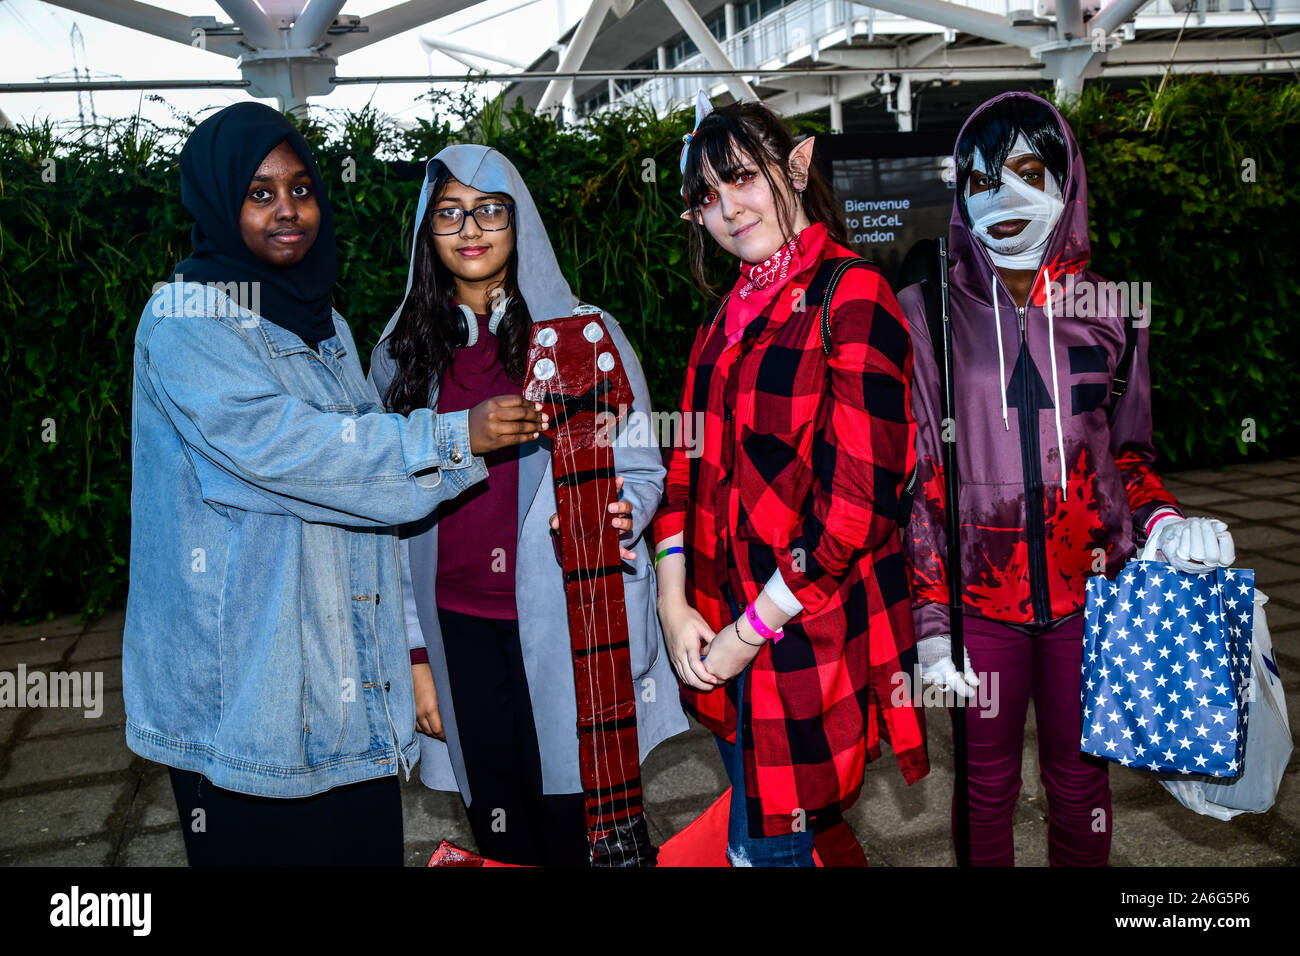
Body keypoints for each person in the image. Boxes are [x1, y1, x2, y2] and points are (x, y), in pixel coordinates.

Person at [124, 103, 545, 867]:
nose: (288, 210)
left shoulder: (326, 325)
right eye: (259, 193)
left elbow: (364, 502)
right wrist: (455, 436)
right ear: (218, 202)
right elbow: (292, 454)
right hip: (252, 704)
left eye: (301, 189)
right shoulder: (187, 322)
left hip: (344, 696)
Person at [897, 90, 1237, 866]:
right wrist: (931, 620)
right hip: (977, 601)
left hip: (1091, 594)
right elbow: (922, 478)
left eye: (1026, 170)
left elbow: (1129, 451)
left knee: (1080, 785)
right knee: (984, 789)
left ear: (1064, 182)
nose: (1004, 195)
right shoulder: (924, 311)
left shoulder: (1112, 309)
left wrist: (1161, 523)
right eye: (983, 180)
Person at [368, 144, 686, 866]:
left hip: (572, 626)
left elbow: (640, 464)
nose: (470, 227)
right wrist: (416, 656)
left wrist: (621, 510)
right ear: (428, 230)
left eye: (489, 209)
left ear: (520, 222)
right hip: (458, 634)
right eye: (448, 213)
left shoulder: (584, 334)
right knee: (501, 834)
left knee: (584, 826)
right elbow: (386, 518)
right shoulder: (400, 354)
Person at [652, 95, 928, 867]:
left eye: (741, 177)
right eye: (705, 196)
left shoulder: (853, 296)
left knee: (776, 845)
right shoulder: (722, 316)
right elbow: (683, 475)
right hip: (718, 636)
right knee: (763, 836)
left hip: (805, 644)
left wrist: (749, 633)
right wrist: (674, 608)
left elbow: (854, 513)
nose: (727, 208)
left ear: (796, 168)